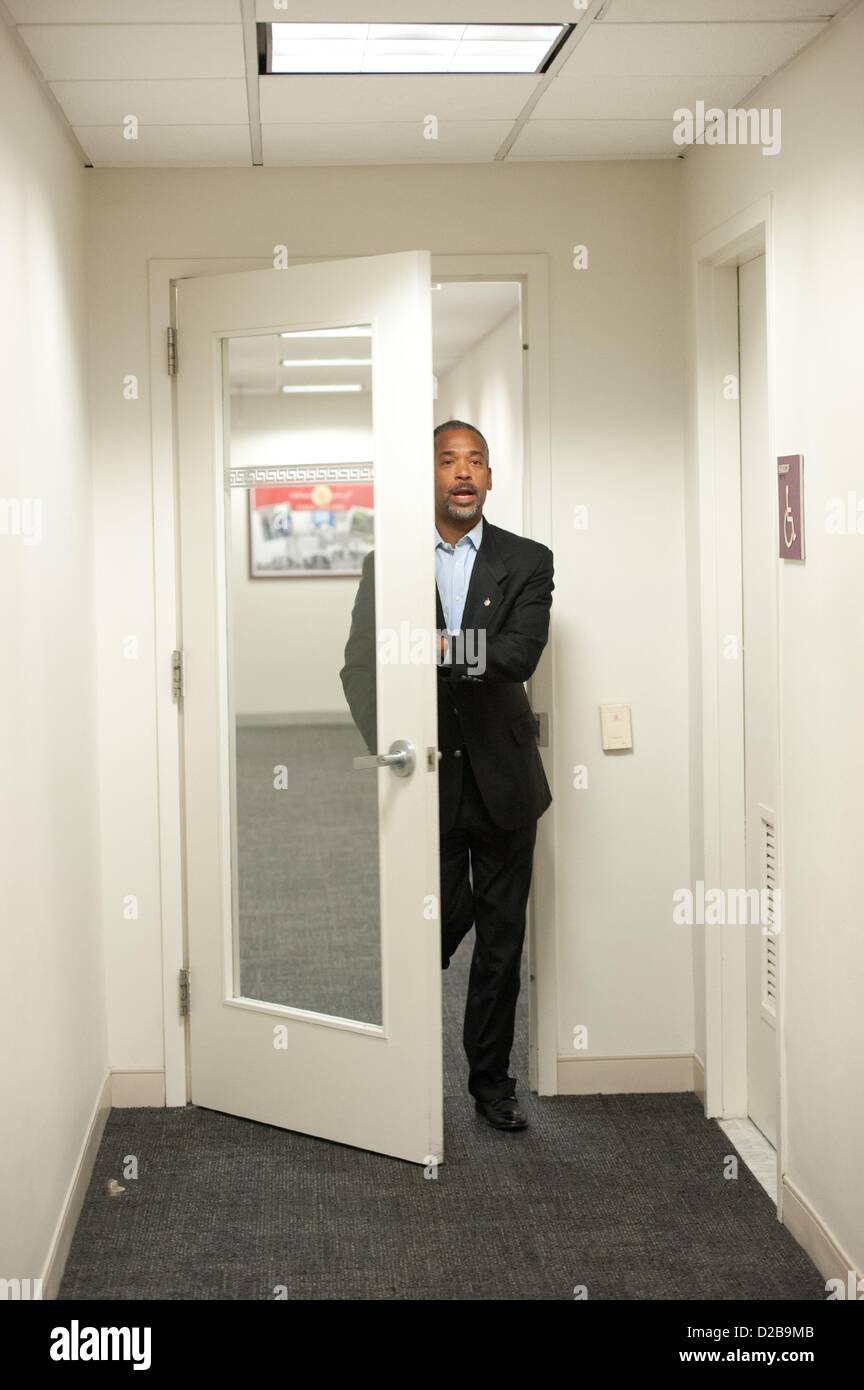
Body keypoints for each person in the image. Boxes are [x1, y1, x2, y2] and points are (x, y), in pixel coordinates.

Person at [339, 420, 554, 1131]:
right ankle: (395, 1063)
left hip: (504, 780)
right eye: (447, 461)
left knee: (501, 939)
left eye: (476, 462)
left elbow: (518, 655)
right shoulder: (388, 563)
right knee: (428, 921)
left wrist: (430, 644)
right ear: (427, 477)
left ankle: (490, 1081)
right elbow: (361, 666)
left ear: (489, 479)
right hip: (424, 776)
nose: (463, 473)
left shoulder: (528, 560)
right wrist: (390, 746)